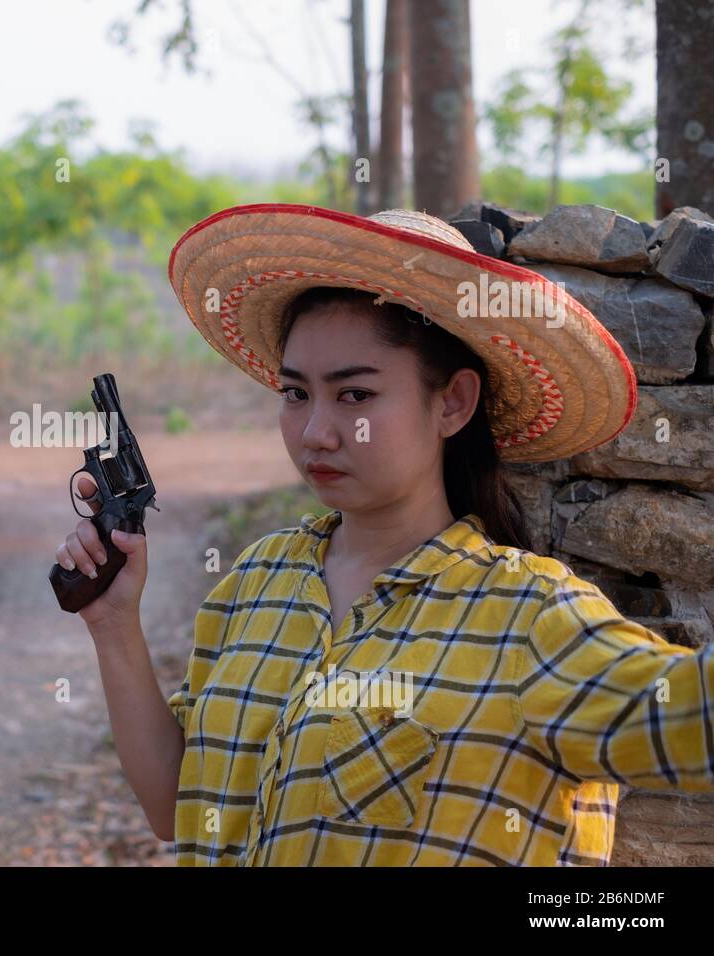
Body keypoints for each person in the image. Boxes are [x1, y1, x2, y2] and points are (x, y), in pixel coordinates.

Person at [54, 204, 714, 866]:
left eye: (356, 396)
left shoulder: (531, 620)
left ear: (452, 402)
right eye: (295, 394)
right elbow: (176, 807)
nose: (315, 433)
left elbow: (690, 724)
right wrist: (114, 626)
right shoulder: (255, 583)